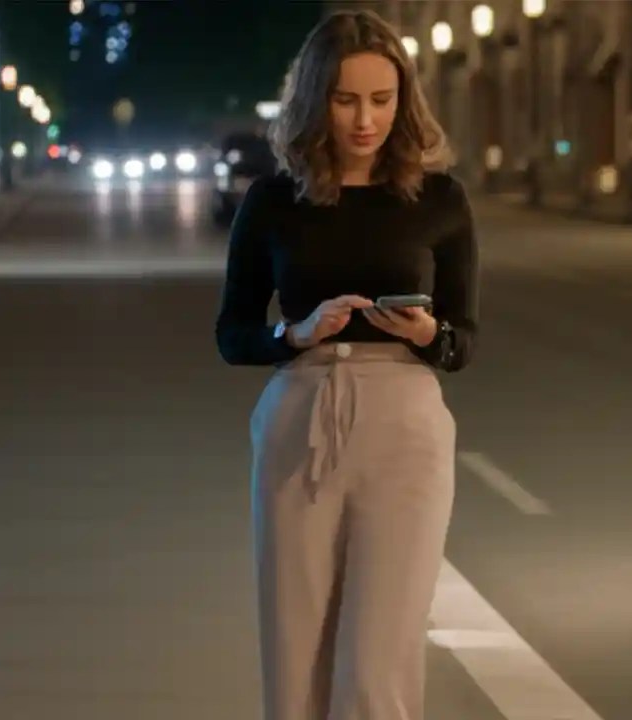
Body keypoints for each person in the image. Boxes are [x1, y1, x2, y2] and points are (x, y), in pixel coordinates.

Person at [213, 9, 478, 720]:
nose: (366, 119)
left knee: (380, 657)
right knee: (296, 650)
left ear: (405, 100)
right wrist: (294, 335)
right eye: (346, 99)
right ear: (313, 101)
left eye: (382, 100)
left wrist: (428, 332)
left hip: (408, 427)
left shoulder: (441, 199)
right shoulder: (272, 202)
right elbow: (233, 332)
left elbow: (464, 341)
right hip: (300, 420)